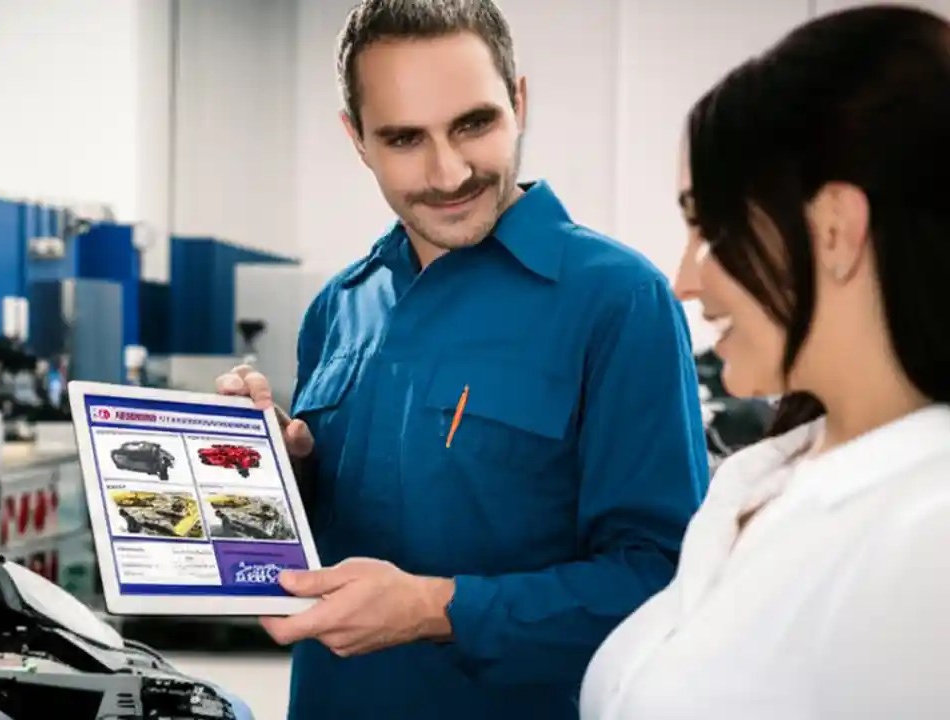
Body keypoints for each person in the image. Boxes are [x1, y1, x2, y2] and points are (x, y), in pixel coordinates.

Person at [215, 1, 709, 717]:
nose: (448, 173)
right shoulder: (339, 304)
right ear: (358, 140)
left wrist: (434, 608)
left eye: (473, 124)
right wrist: (277, 468)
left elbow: (659, 581)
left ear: (519, 101)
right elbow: (345, 523)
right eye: (405, 138)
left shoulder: (617, 299)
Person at [579, 6, 950, 718]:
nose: (686, 280)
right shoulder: (768, 472)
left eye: (709, 227)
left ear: (835, 230)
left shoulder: (927, 538)